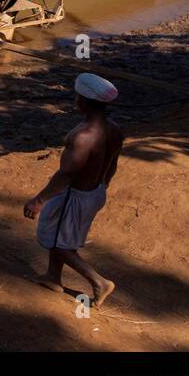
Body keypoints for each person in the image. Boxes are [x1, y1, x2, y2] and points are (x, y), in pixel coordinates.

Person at [23, 73, 123, 308]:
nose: (76, 100)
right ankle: (52, 277)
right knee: (62, 235)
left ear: (85, 102)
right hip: (95, 192)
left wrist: (39, 200)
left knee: (59, 242)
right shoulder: (114, 130)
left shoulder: (82, 136)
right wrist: (104, 183)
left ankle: (99, 282)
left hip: (75, 195)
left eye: (78, 97)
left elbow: (66, 174)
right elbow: (114, 162)